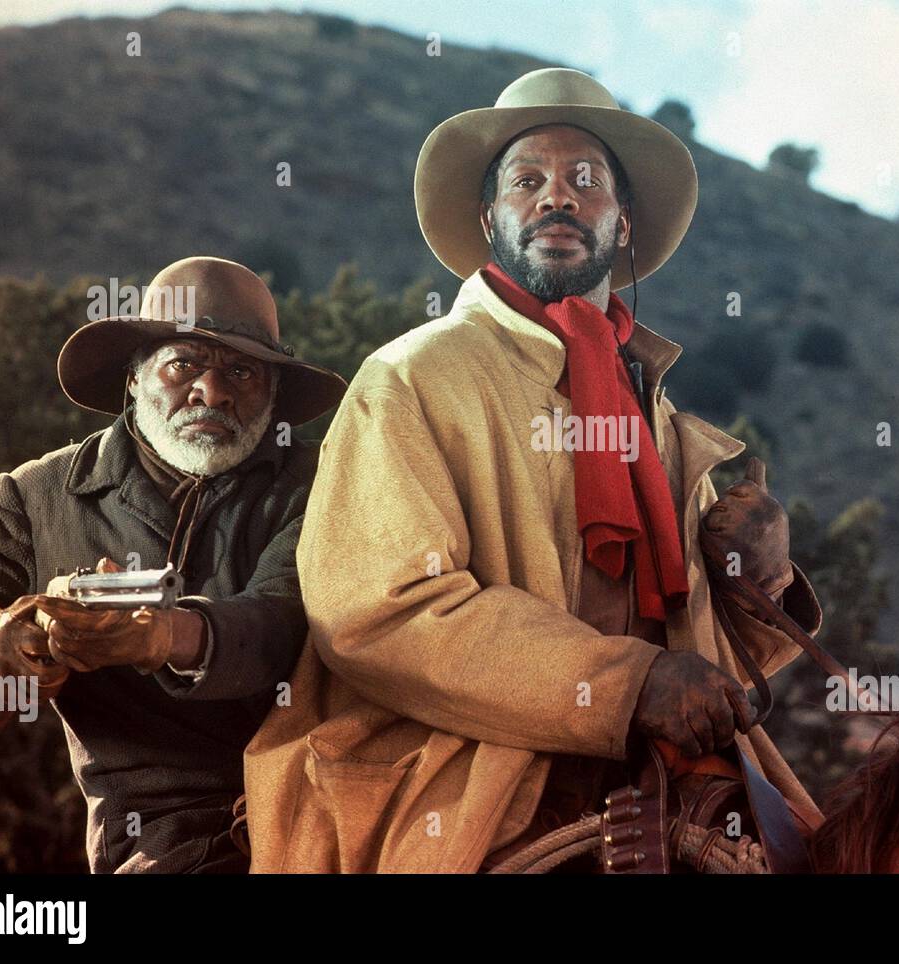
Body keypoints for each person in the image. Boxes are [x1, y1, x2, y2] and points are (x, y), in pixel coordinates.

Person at [243, 68, 824, 873]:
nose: (559, 198)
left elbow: (695, 660)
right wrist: (629, 684)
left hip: (655, 769)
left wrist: (760, 581)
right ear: (492, 219)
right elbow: (379, 612)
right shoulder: (412, 377)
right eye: (529, 181)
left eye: (587, 181)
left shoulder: (649, 404)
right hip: (469, 778)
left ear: (622, 226)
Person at [0, 256, 346, 872]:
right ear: (134, 376)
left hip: (325, 801)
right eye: (185, 363)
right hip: (159, 834)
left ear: (273, 391)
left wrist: (164, 634)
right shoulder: (37, 496)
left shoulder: (320, 482)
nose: (214, 390)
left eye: (242, 370)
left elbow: (279, 623)